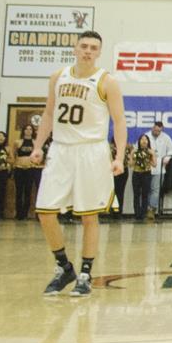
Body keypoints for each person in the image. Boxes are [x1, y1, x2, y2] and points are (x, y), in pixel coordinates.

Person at [28, 31, 126, 297]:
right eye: (84, 46)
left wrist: (118, 157)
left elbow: (119, 121)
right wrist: (38, 146)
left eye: (94, 48)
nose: (88, 51)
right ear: (75, 48)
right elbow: (49, 113)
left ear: (99, 52)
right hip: (60, 150)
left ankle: (85, 272)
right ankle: (64, 266)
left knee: (88, 216)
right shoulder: (57, 77)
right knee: (45, 211)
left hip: (91, 151)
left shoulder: (107, 81)